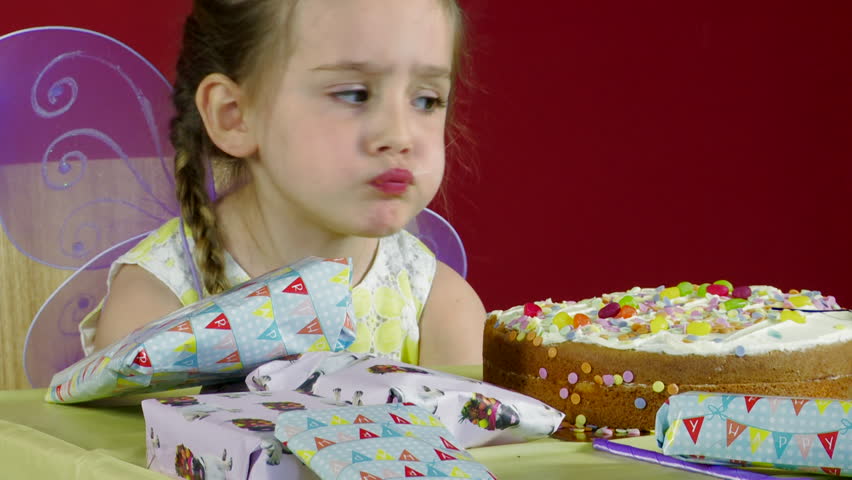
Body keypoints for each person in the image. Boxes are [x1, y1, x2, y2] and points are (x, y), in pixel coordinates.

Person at [78, 0, 485, 367]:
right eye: (355, 94)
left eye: (426, 100)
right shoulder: (153, 315)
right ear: (233, 115)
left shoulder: (441, 311)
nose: (400, 135)